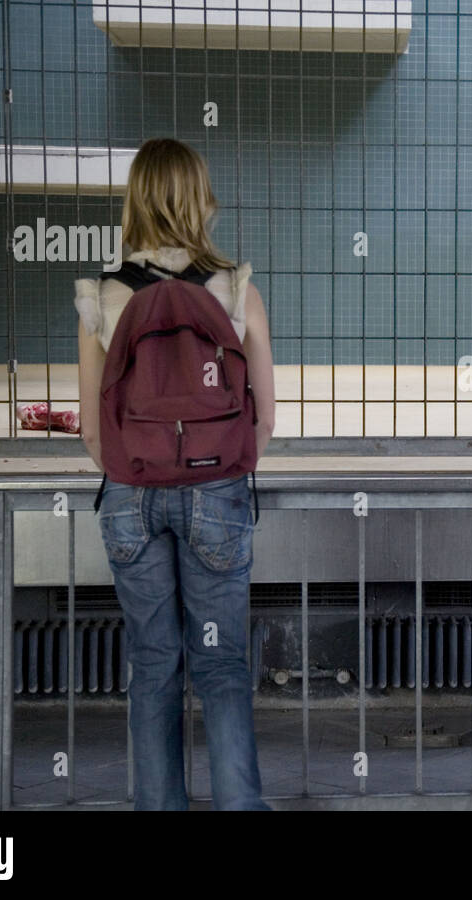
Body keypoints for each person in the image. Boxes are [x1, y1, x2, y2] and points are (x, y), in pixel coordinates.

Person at [75, 138, 276, 810]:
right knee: (220, 667)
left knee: (154, 666)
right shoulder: (236, 288)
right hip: (216, 494)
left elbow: (94, 434)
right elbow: (264, 418)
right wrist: (212, 466)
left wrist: (142, 465)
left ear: (134, 200)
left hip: (133, 498)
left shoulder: (102, 295)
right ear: (200, 199)